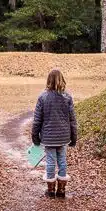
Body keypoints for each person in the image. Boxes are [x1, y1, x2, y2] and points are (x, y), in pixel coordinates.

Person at [31, 69, 78, 198]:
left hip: (48, 137)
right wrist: (74, 137)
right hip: (63, 136)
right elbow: (72, 119)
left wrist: (35, 137)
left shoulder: (42, 97)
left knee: (51, 161)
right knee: (62, 160)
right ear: (62, 80)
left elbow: (37, 120)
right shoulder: (67, 97)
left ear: (48, 80)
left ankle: (51, 190)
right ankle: (62, 190)